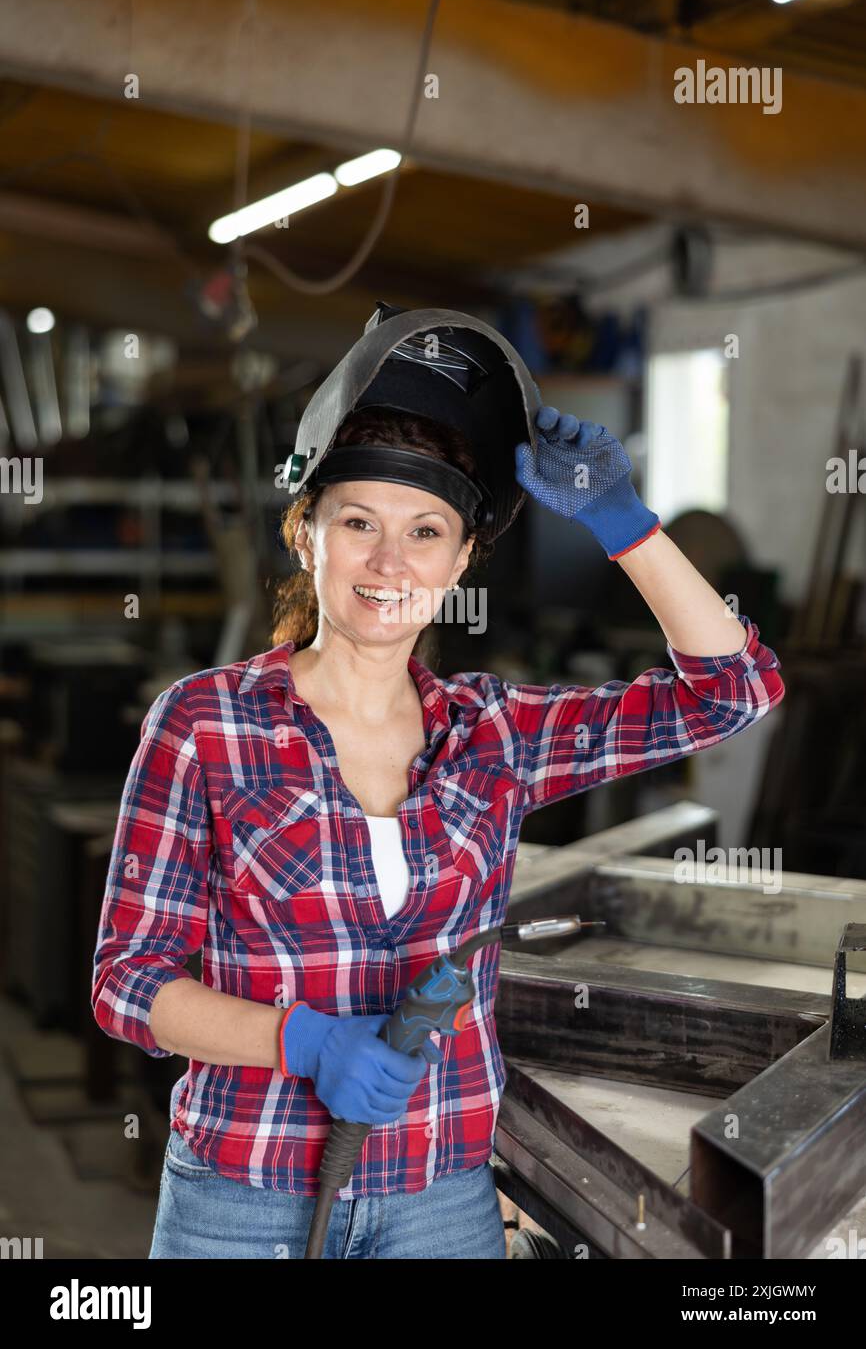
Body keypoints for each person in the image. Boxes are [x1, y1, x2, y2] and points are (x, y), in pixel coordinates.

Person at [92, 312, 784, 1260]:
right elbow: (129, 984)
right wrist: (305, 1044)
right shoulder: (204, 723)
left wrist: (625, 525)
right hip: (241, 1196)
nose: (390, 562)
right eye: (359, 523)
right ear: (307, 534)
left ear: (459, 562)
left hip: (437, 1193)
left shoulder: (490, 733)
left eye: (426, 532)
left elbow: (733, 691)